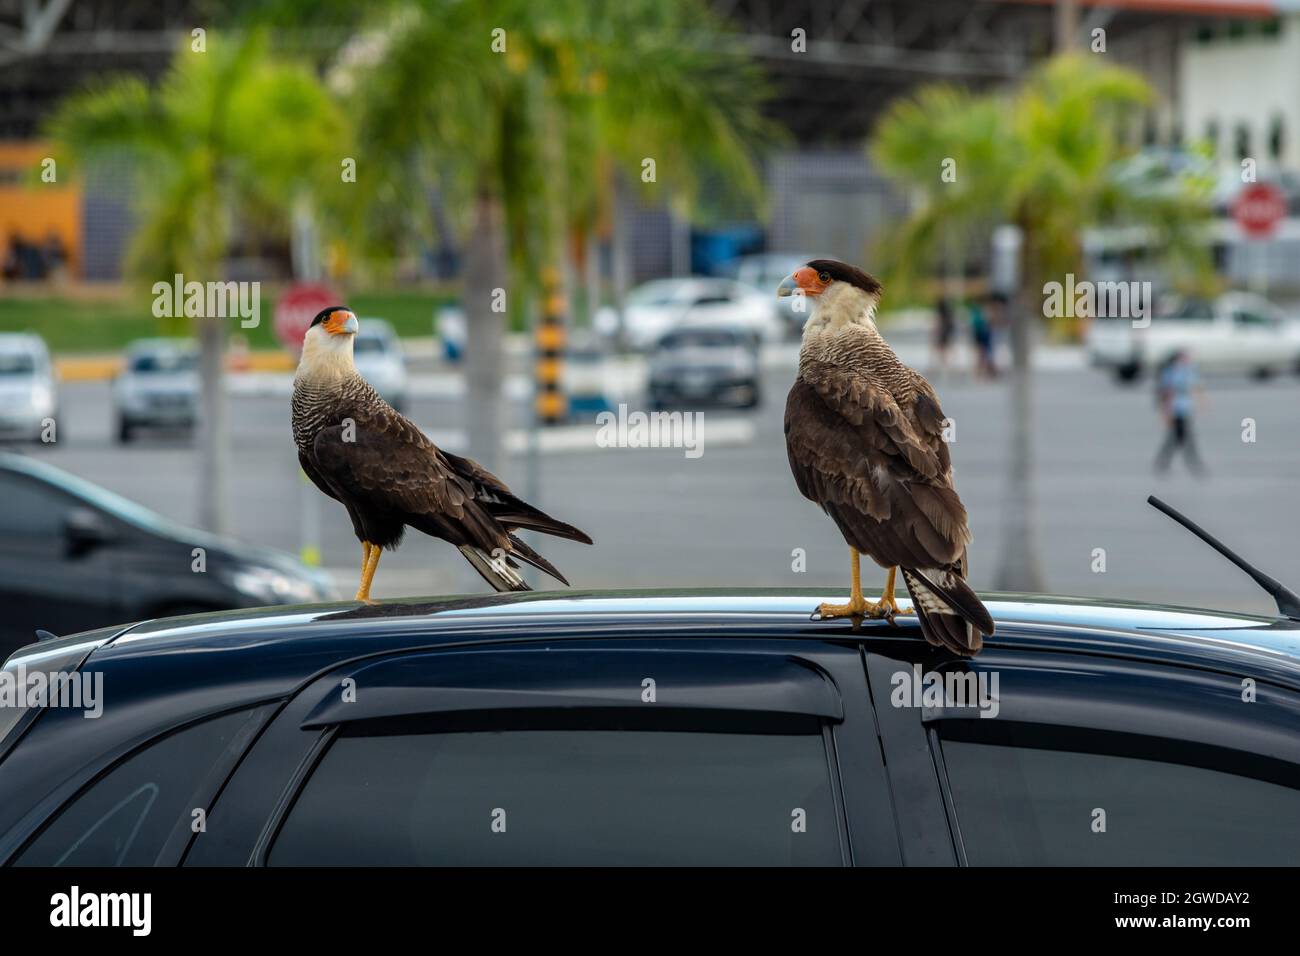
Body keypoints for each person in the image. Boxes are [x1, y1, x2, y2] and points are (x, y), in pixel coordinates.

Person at [1154, 349, 1205, 476]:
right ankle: (1192, 461)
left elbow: (1195, 388)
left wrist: (1201, 403)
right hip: (1176, 410)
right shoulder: (1171, 373)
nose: (1187, 360)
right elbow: (1167, 394)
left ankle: (1163, 462)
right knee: (1182, 438)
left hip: (1184, 410)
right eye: (1184, 358)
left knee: (1176, 439)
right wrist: (1167, 413)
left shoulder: (1188, 371)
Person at [932, 296, 956, 377]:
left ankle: (943, 366)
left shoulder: (940, 314)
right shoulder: (948, 313)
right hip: (947, 333)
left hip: (942, 333)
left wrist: (935, 333)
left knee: (940, 349)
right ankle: (948, 365)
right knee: (946, 349)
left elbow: (937, 325)